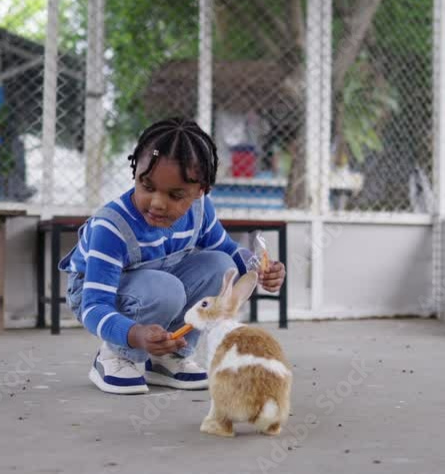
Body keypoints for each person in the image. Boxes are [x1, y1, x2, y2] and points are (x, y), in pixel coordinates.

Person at [58, 117, 286, 395]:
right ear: (135, 173)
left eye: (176, 195)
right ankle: (117, 355)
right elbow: (94, 306)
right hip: (95, 292)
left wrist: (259, 268)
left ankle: (168, 356)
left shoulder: (200, 210)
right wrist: (135, 335)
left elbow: (227, 250)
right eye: (147, 186)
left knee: (220, 266)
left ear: (200, 190)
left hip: (157, 284)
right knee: (166, 289)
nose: (157, 203)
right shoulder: (112, 226)